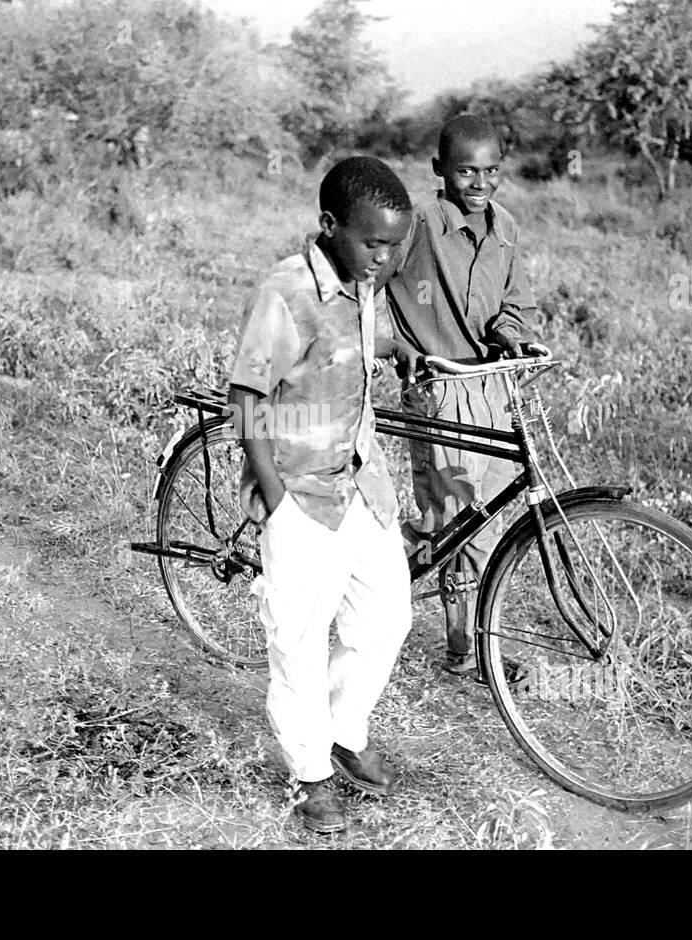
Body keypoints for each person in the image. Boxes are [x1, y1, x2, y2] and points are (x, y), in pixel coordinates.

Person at [227, 156, 413, 834]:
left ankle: (341, 732)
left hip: (361, 481)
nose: (385, 258)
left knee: (386, 618)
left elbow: (357, 344)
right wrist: (274, 499)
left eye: (394, 245)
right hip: (300, 490)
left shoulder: (364, 276)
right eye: (373, 244)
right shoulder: (287, 291)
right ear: (329, 226)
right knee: (298, 640)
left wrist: (399, 350)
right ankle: (310, 777)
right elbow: (245, 397)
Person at [384, 114, 539, 679]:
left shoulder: (507, 229)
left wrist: (511, 332)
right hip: (439, 389)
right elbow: (369, 273)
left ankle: (375, 575)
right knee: (453, 517)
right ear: (440, 171)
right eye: (466, 171)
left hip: (493, 389)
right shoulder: (418, 223)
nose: (479, 183)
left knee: (483, 519)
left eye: (491, 170)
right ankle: (466, 651)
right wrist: (394, 339)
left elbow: (516, 302)